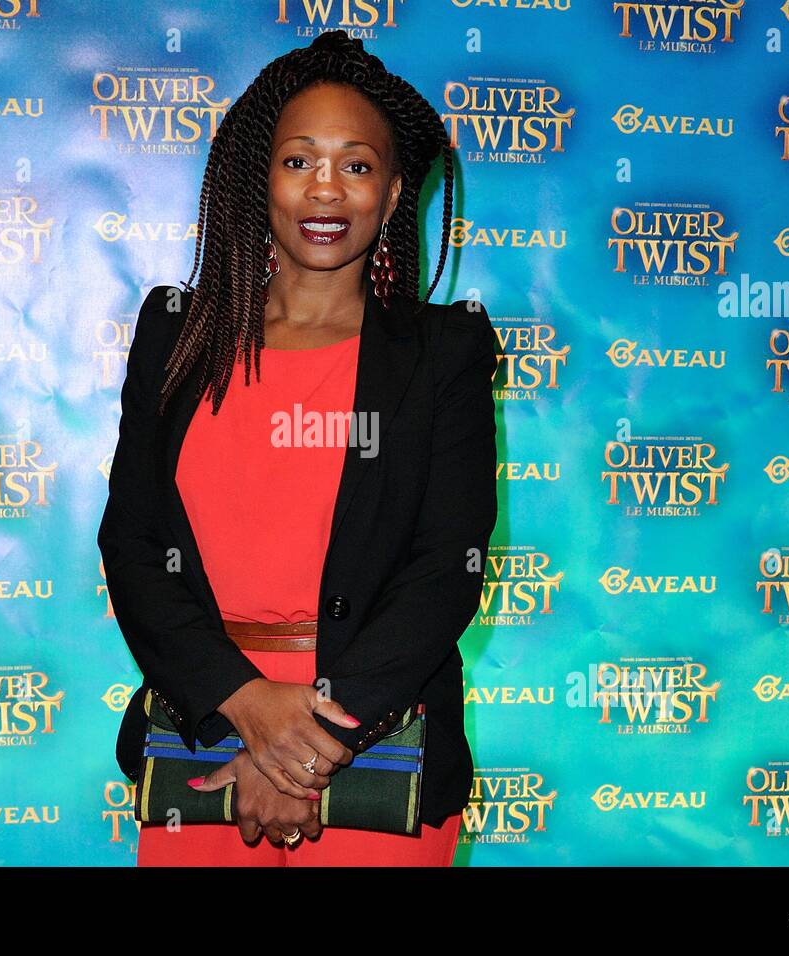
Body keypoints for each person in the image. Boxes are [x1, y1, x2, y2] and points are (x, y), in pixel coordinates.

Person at [98, 29, 498, 866]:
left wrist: (310, 744)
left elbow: (444, 565)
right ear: (259, 183)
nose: (327, 188)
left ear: (392, 196)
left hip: (379, 740)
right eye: (298, 161)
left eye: (356, 165)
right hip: (202, 732)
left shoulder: (441, 355)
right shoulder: (175, 333)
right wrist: (243, 704)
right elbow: (131, 543)